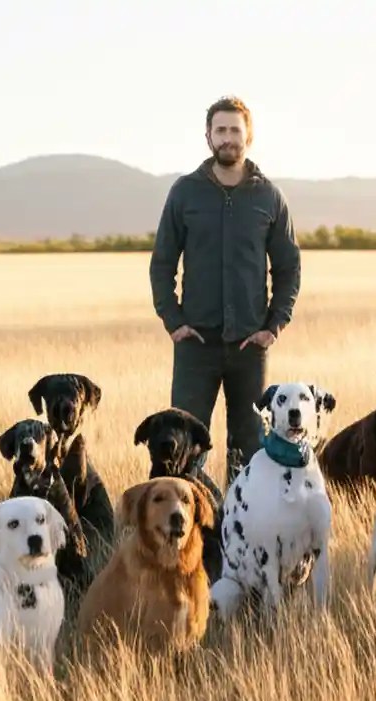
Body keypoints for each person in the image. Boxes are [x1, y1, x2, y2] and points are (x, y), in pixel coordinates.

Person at [149, 95, 302, 487]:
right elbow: (163, 263)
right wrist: (174, 322)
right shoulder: (185, 193)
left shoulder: (269, 197)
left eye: (235, 130)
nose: (228, 137)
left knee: (249, 449)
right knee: (181, 446)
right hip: (194, 344)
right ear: (208, 137)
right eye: (221, 130)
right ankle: (179, 537)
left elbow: (288, 268)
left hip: (250, 347)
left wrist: (273, 327)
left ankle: (242, 533)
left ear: (248, 136)